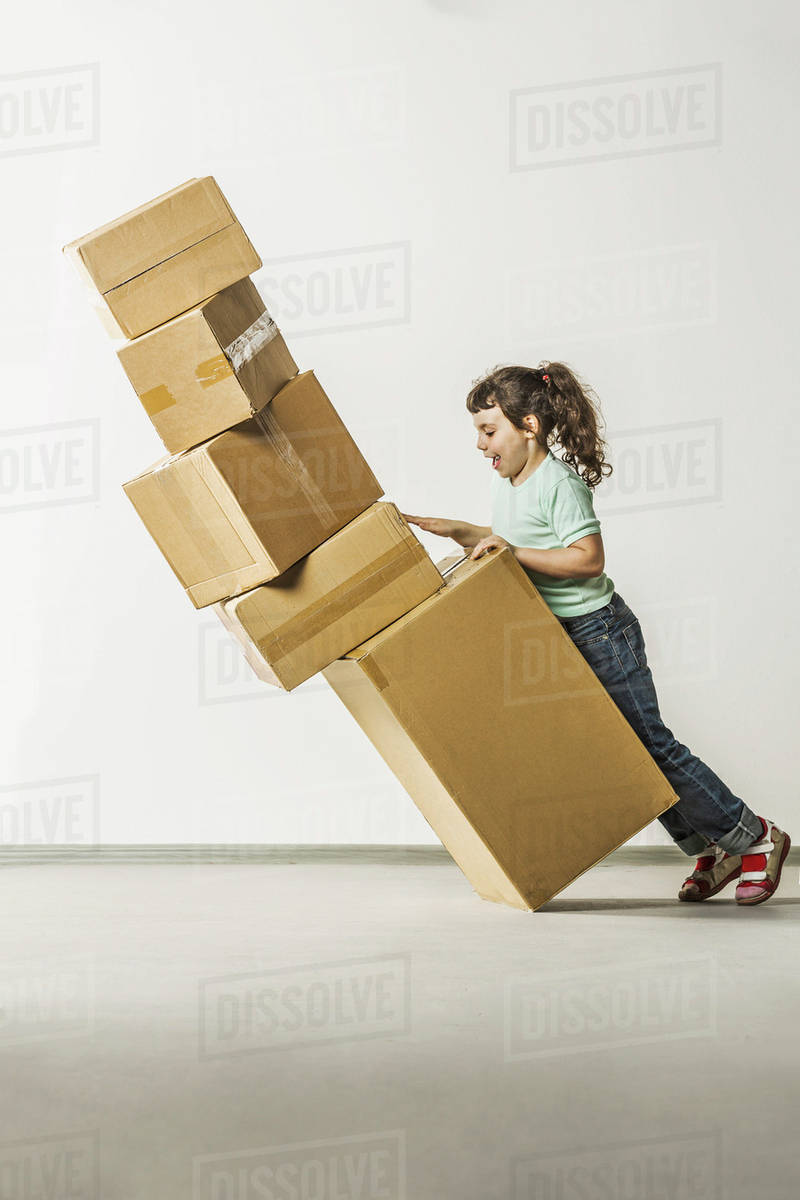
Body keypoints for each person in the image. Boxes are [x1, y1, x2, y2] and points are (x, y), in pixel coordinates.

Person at [402, 362, 790, 906]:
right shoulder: (513, 484)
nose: (480, 443)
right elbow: (518, 538)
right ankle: (710, 845)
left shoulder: (557, 482)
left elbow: (586, 558)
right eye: (478, 432)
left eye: (489, 430)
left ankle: (755, 837)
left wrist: (510, 552)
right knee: (623, 756)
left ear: (529, 426)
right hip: (564, 637)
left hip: (601, 632)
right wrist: (464, 531)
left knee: (651, 746)